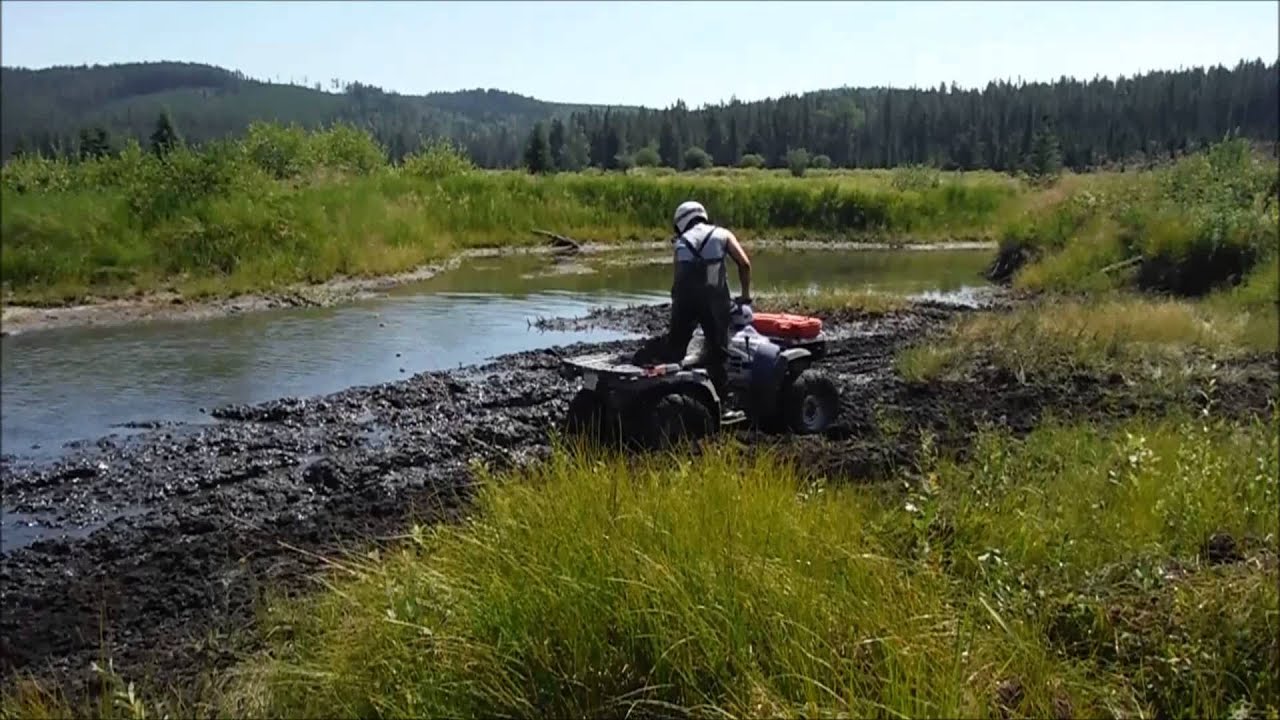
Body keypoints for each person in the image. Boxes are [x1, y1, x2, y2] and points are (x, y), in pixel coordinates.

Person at [666, 200, 752, 418]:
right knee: (718, 352)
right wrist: (745, 295)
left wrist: (678, 308)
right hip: (714, 302)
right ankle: (723, 407)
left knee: (676, 349)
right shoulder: (723, 234)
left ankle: (670, 395)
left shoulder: (681, 242)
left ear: (681, 223)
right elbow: (744, 264)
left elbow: (676, 283)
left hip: (685, 302)